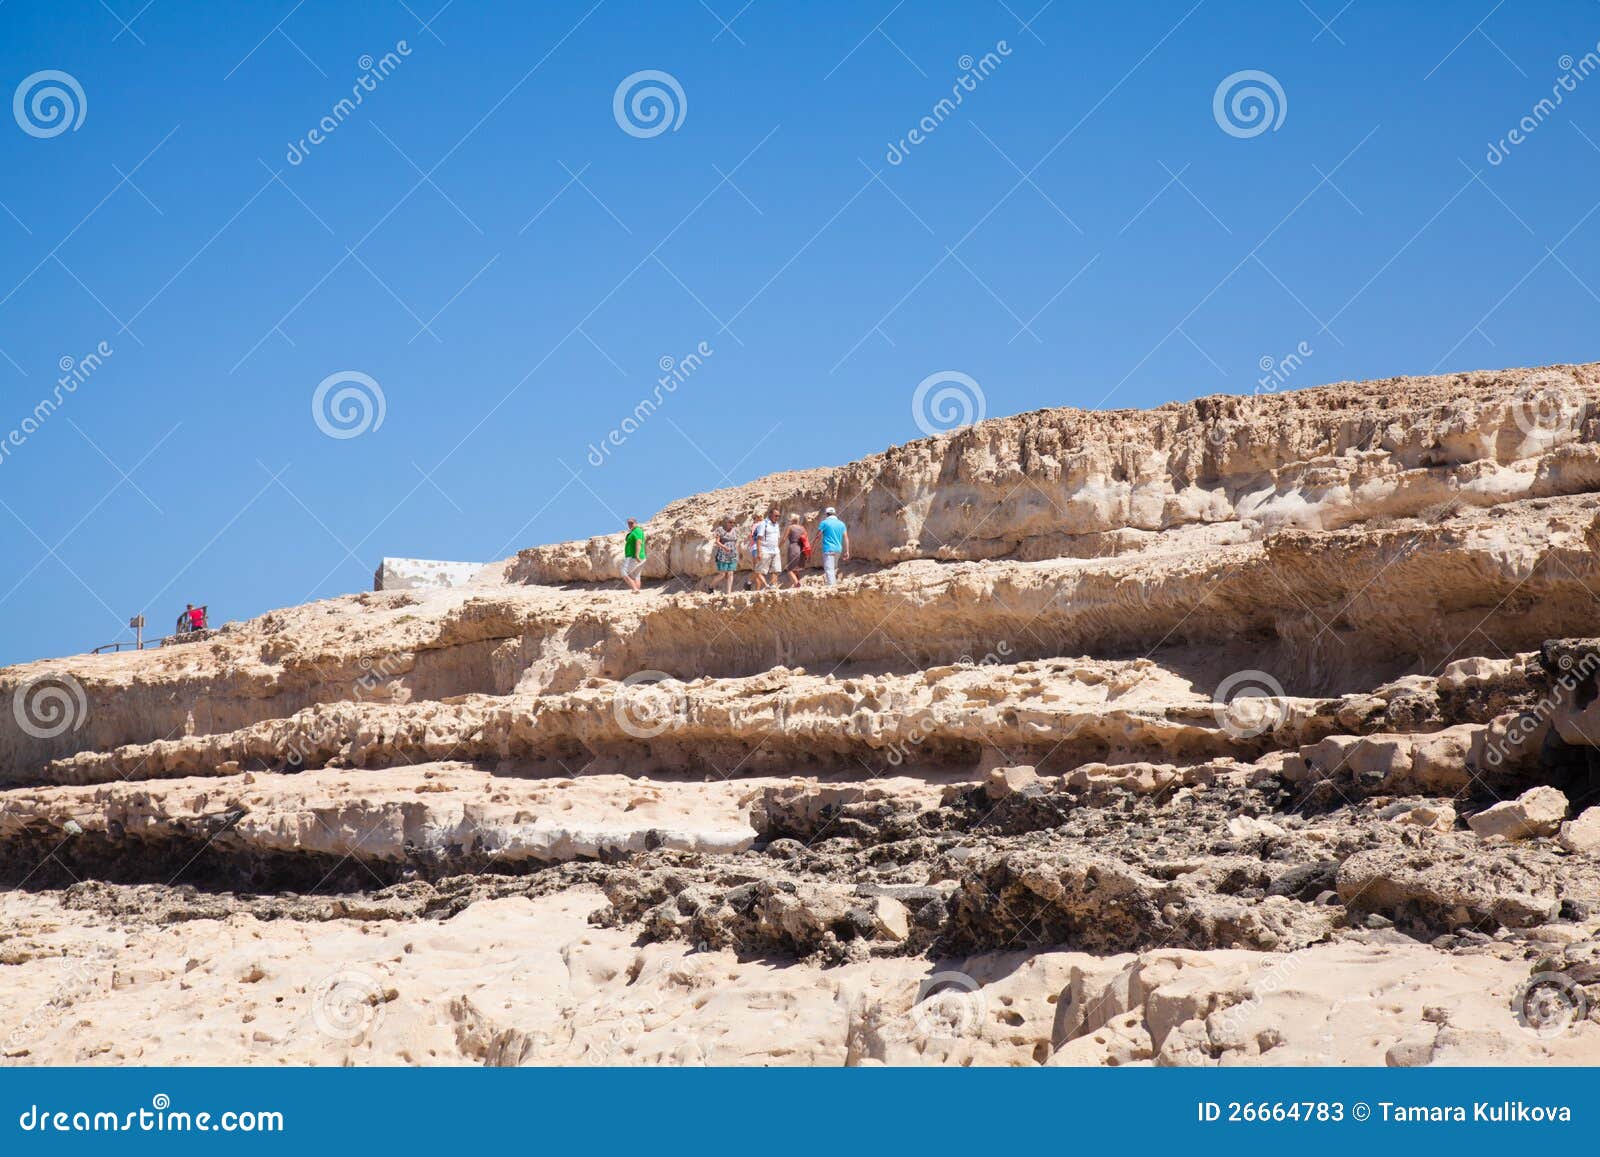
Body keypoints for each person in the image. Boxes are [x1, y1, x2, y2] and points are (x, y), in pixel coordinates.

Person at [750, 506, 781, 590]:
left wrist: (777, 548)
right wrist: (759, 552)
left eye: (778, 516)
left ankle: (773, 586)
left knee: (776, 569)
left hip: (775, 550)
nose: (777, 518)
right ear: (770, 515)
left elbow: (777, 537)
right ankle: (752, 584)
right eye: (776, 516)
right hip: (765, 550)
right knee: (760, 570)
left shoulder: (777, 525)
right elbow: (759, 539)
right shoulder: (763, 524)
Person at [817, 506, 849, 587]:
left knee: (829, 569)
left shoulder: (824, 523)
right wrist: (847, 551)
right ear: (834, 513)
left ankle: (832, 587)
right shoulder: (841, 523)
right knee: (833, 568)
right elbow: (846, 537)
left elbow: (817, 536)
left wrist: (812, 548)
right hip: (838, 549)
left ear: (826, 514)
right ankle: (832, 585)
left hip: (828, 549)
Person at [713, 516, 740, 594]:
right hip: (723, 554)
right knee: (722, 574)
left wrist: (735, 551)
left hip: (732, 553)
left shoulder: (735, 530)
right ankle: (711, 586)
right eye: (730, 522)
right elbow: (717, 542)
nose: (732, 524)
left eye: (734, 522)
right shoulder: (720, 530)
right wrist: (724, 547)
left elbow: (735, 541)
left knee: (731, 573)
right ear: (726, 522)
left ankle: (728, 592)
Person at [784, 514, 809, 588]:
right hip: (801, 549)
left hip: (793, 548)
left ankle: (797, 583)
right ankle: (797, 585)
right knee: (797, 569)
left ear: (791, 520)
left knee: (790, 569)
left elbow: (784, 539)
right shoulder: (803, 528)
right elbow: (806, 539)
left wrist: (778, 546)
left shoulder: (790, 527)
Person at [621, 518, 646, 592]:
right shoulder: (633, 532)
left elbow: (638, 542)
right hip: (636, 556)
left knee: (624, 573)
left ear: (636, 523)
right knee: (636, 575)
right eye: (628, 523)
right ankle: (637, 590)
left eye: (631, 523)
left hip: (633, 556)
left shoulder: (637, 530)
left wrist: (637, 555)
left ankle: (634, 589)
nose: (630, 525)